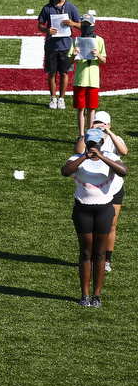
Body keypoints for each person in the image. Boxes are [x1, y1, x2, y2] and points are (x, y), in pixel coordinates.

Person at [61, 129, 127, 307]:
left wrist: (102, 157)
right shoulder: (77, 159)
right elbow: (65, 172)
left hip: (104, 210)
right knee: (85, 253)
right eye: (90, 143)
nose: (93, 147)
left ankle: (97, 295)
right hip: (83, 210)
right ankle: (84, 295)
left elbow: (123, 171)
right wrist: (84, 156)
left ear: (101, 143)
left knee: (100, 253)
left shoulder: (110, 158)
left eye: (95, 144)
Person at [75, 112, 127, 273]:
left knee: (111, 225)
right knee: (92, 229)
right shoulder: (89, 138)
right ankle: (92, 257)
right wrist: (89, 132)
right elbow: (77, 151)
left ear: (109, 125)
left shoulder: (113, 138)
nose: (99, 126)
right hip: (96, 189)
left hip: (114, 188)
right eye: (96, 122)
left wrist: (109, 133)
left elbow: (124, 151)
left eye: (102, 124)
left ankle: (106, 259)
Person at [38, 0, 81, 109]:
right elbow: (40, 25)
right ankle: (53, 98)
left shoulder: (71, 7)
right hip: (51, 45)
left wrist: (72, 23)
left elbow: (80, 24)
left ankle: (62, 98)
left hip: (66, 46)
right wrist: (47, 30)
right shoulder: (47, 8)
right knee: (51, 73)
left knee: (64, 73)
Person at [69, 14, 106, 137]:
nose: (85, 27)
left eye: (88, 24)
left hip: (93, 79)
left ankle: (90, 133)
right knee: (81, 108)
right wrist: (74, 54)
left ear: (93, 25)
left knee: (91, 108)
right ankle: (81, 135)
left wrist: (98, 54)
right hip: (80, 79)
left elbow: (104, 60)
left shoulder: (99, 40)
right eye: (83, 24)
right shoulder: (77, 40)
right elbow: (70, 61)